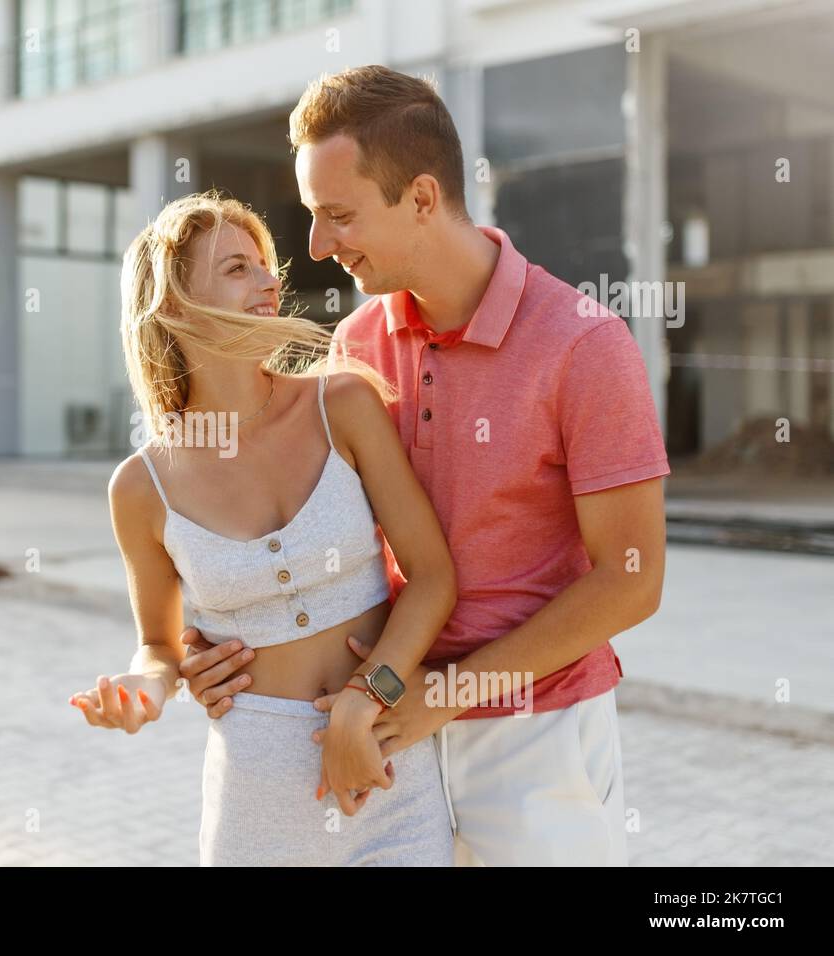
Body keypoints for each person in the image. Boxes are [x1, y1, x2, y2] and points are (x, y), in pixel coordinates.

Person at [179, 66, 669, 866]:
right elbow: (322, 540)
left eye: (338, 215)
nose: (316, 247)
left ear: (422, 198)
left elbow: (631, 579)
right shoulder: (356, 346)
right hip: (388, 726)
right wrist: (224, 650)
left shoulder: (585, 344)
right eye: (311, 217)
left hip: (531, 735)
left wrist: (445, 696)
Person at [70, 189, 457, 866]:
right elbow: (159, 648)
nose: (268, 280)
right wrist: (145, 689)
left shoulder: (344, 403)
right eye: (236, 268)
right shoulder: (141, 486)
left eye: (262, 263)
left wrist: (366, 698)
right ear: (171, 305)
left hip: (387, 771)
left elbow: (433, 577)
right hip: (254, 806)